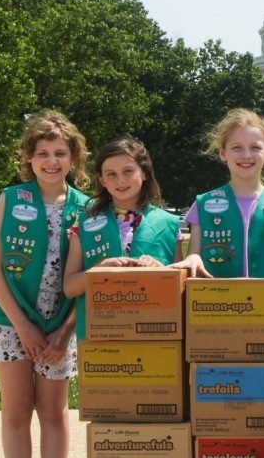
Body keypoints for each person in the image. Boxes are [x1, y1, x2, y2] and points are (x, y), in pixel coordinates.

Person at [0, 110, 90, 458]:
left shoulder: (86, 208)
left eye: (60, 153)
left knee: (53, 412)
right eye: (42, 153)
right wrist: (22, 326)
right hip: (10, 322)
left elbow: (88, 278)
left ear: (73, 158)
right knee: (15, 410)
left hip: (60, 325)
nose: (51, 161)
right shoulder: (10, 199)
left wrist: (63, 332)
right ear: (28, 158)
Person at [62, 136, 181, 335]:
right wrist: (98, 271)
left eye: (128, 171)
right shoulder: (83, 223)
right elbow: (69, 288)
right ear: (102, 180)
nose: (121, 180)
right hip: (101, 334)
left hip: (154, 333)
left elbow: (180, 287)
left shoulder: (169, 224)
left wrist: (161, 271)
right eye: (111, 174)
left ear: (144, 173)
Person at [174, 109, 264, 278]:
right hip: (217, 294)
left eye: (255, 148)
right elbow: (194, 254)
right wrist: (193, 258)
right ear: (223, 153)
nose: (246, 155)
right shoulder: (203, 204)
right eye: (237, 148)